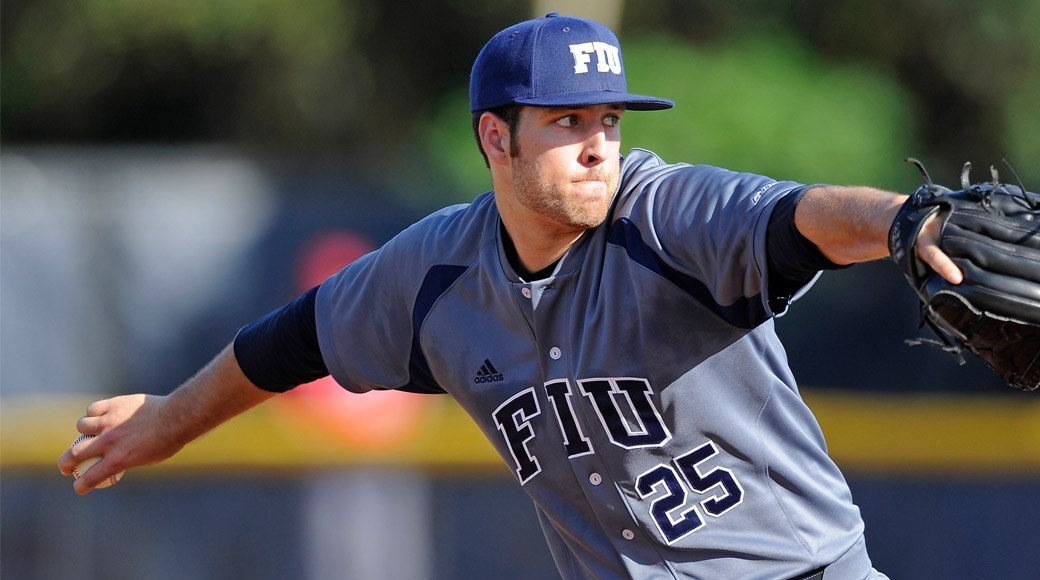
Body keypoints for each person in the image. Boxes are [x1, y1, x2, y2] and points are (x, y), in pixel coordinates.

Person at [59, 13, 962, 580]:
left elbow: (800, 217)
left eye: (608, 119)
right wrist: (171, 418)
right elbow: (290, 342)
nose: (600, 144)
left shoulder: (668, 212)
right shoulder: (436, 272)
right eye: (567, 121)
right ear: (497, 137)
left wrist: (900, 222)